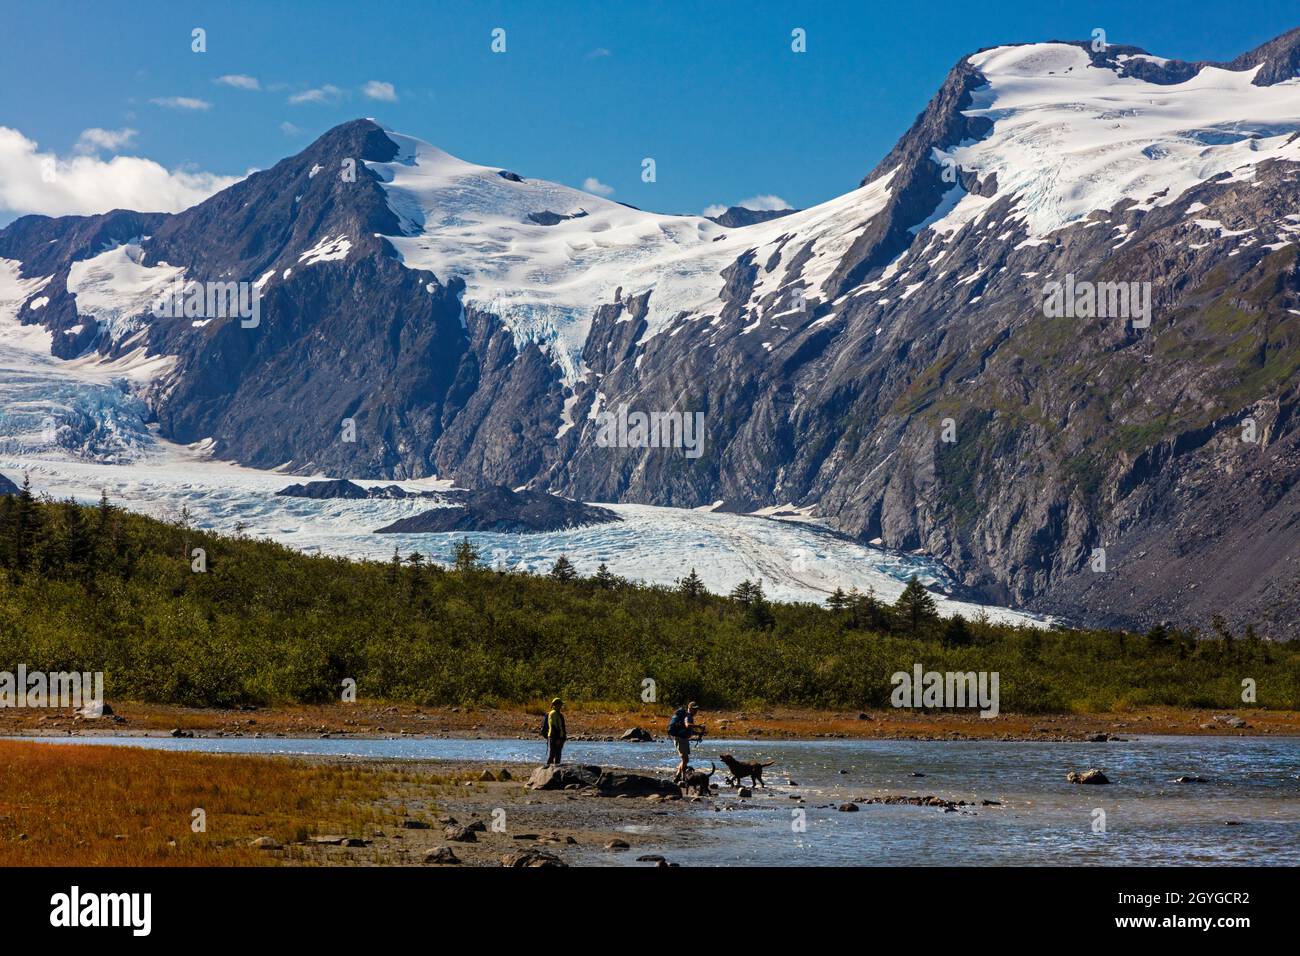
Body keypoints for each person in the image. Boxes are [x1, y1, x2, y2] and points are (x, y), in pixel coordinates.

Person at [668, 701, 701, 780]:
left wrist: (697, 733)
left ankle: (678, 776)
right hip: (680, 739)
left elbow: (688, 730)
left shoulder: (689, 717)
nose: (696, 711)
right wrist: (699, 726)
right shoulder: (687, 716)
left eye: (697, 709)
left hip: (683, 739)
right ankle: (683, 778)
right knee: (685, 759)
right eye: (694, 709)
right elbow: (687, 725)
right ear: (690, 708)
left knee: (685, 760)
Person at [544, 697, 567, 766]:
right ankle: (547, 769)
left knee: (558, 754)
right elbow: (553, 726)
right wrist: (558, 738)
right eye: (560, 704)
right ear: (556, 705)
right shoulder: (553, 713)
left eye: (561, 704)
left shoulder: (559, 714)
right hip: (554, 737)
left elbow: (562, 727)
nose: (561, 706)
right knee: (553, 754)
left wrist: (563, 737)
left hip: (559, 737)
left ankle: (556, 770)